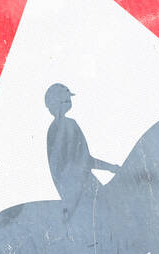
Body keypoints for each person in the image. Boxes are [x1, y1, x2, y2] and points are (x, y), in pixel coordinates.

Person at [44, 82, 118, 221]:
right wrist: (110, 167)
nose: (69, 101)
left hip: (79, 184)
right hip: (77, 186)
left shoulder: (63, 126)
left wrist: (110, 168)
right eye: (66, 98)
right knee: (108, 212)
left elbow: (83, 160)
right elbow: (66, 163)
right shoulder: (62, 127)